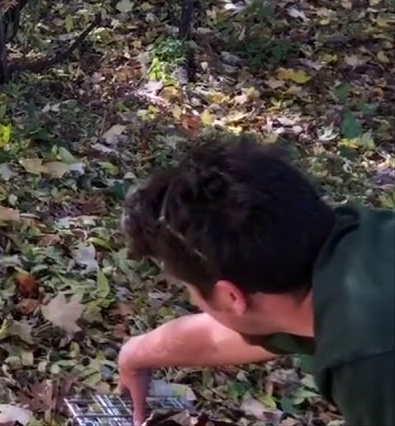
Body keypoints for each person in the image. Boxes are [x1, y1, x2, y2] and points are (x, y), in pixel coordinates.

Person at [116, 135, 395, 425]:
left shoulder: (368, 362)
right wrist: (136, 354)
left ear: (231, 297)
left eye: (191, 290)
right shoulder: (355, 238)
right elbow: (216, 338)